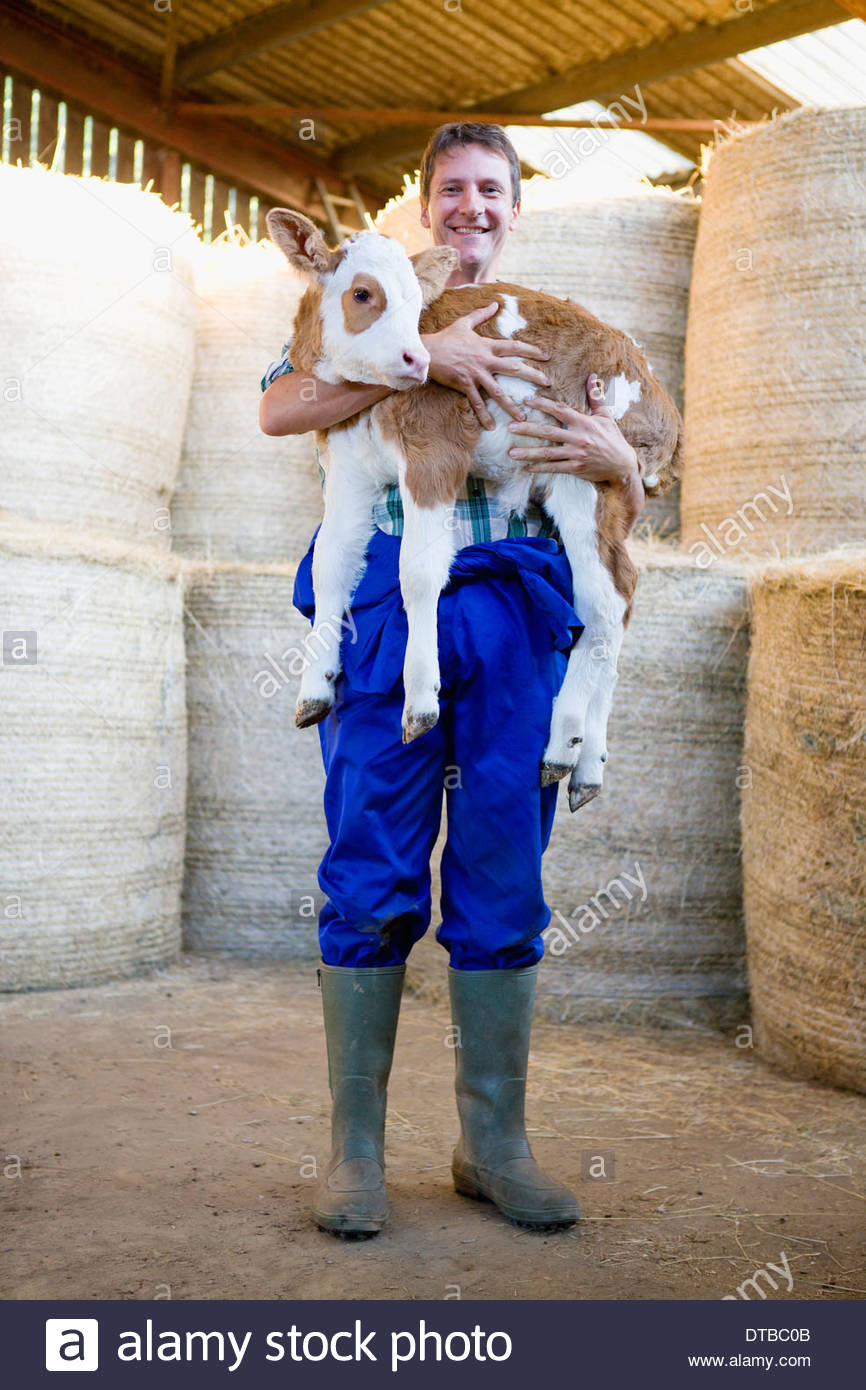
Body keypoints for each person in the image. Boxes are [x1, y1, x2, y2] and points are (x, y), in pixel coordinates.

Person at [259, 122, 647, 1236]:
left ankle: (494, 1144)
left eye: (491, 189)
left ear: (515, 208)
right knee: (370, 860)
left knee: (502, 863)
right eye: (453, 189)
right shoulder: (369, 294)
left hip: (515, 609)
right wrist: (424, 354)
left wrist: (623, 461)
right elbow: (279, 406)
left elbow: (632, 489)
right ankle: (355, 1156)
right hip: (394, 601)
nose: (471, 205)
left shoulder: (553, 327)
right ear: (426, 206)